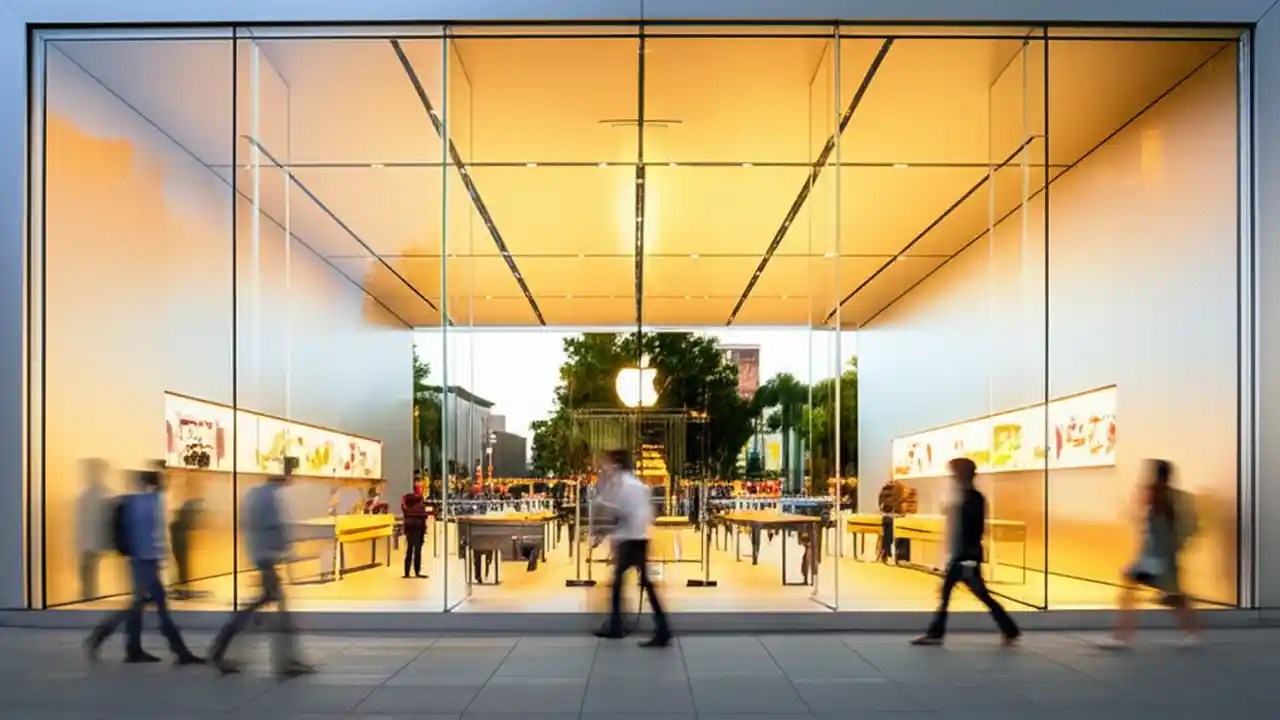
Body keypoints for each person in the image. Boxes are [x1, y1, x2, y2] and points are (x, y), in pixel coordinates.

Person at [85, 468, 204, 665]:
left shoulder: (132, 501)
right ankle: (178, 651)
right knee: (151, 607)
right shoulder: (152, 502)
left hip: (140, 560)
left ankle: (128, 646)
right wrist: (161, 559)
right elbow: (153, 535)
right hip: (146, 562)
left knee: (140, 606)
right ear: (154, 483)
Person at [210, 458, 313, 676]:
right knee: (276, 610)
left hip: (260, 557)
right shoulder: (271, 497)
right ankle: (285, 662)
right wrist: (287, 551)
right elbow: (276, 529)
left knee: (265, 605)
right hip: (267, 559)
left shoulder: (255, 494)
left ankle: (222, 648)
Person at [911, 458, 1020, 647]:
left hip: (966, 557)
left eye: (955, 474)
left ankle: (936, 633)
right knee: (971, 594)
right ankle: (1009, 629)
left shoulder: (972, 499)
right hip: (964, 556)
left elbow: (973, 529)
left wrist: (968, 558)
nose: (952, 478)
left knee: (963, 594)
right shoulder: (966, 497)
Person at [1101, 459, 1202, 649]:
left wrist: (1174, 545)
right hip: (1153, 558)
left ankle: (1123, 636)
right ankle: (1191, 633)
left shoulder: (1167, 499)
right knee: (1160, 595)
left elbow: (1178, 529)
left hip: (1159, 560)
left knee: (1173, 597)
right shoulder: (1161, 498)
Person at [592, 449, 672, 647]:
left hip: (630, 540)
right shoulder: (638, 485)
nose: (605, 467)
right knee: (643, 584)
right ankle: (661, 628)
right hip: (640, 538)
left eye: (607, 463)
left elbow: (618, 513)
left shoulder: (624, 486)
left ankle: (617, 626)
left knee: (619, 583)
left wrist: (601, 533)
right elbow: (647, 513)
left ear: (616, 464)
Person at [75, 458, 110, 600]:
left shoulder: (102, 494)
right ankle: (89, 596)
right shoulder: (86, 494)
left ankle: (90, 597)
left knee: (88, 570)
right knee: (86, 572)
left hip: (96, 542)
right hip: (88, 542)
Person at [401, 472, 429, 579]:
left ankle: (414, 572)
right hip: (413, 526)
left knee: (415, 550)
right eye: (419, 484)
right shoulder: (410, 498)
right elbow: (410, 511)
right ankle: (409, 572)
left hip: (416, 526)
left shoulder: (417, 499)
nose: (421, 487)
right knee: (412, 549)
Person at [877, 478, 906, 563]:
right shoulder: (900, 487)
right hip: (895, 516)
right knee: (902, 528)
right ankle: (901, 555)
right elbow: (902, 505)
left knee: (888, 527)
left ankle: (886, 551)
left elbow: (880, 503)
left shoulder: (886, 488)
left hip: (887, 516)